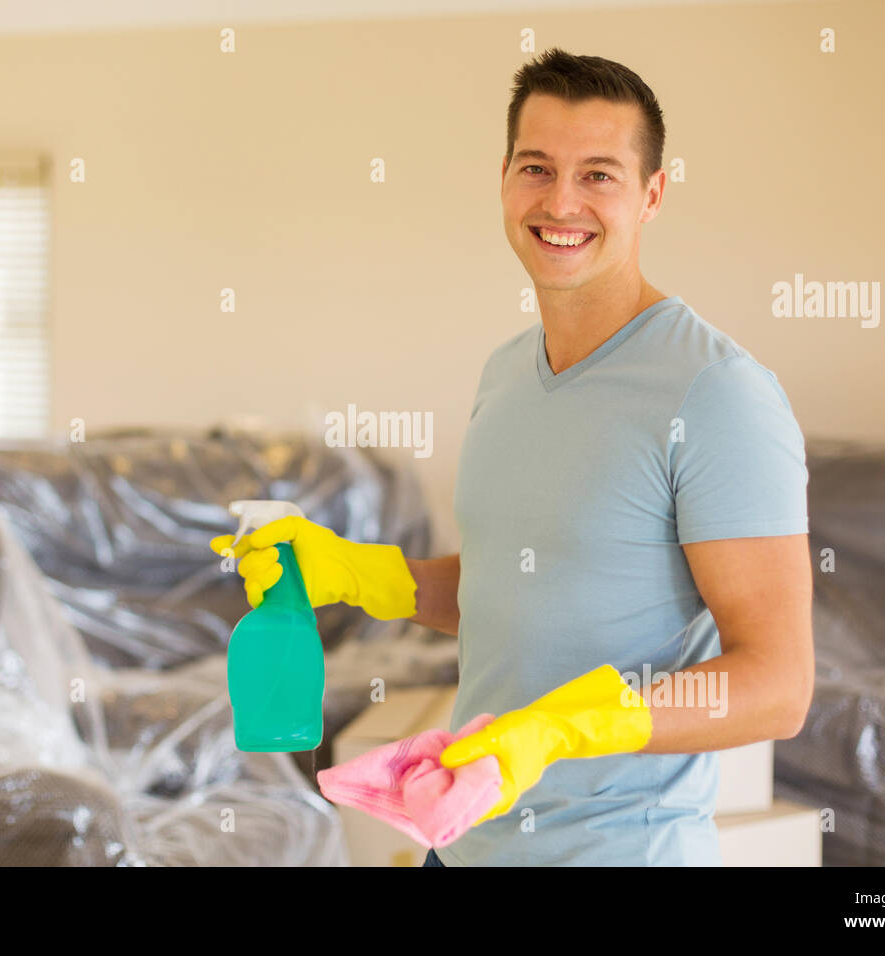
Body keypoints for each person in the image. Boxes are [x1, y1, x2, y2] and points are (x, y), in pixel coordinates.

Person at [211, 48, 813, 867]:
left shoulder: (716, 393)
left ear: (652, 194)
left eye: (599, 174)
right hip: (460, 844)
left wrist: (564, 728)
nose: (561, 201)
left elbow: (779, 686)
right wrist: (356, 572)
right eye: (538, 167)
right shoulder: (506, 374)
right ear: (504, 178)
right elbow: (521, 586)